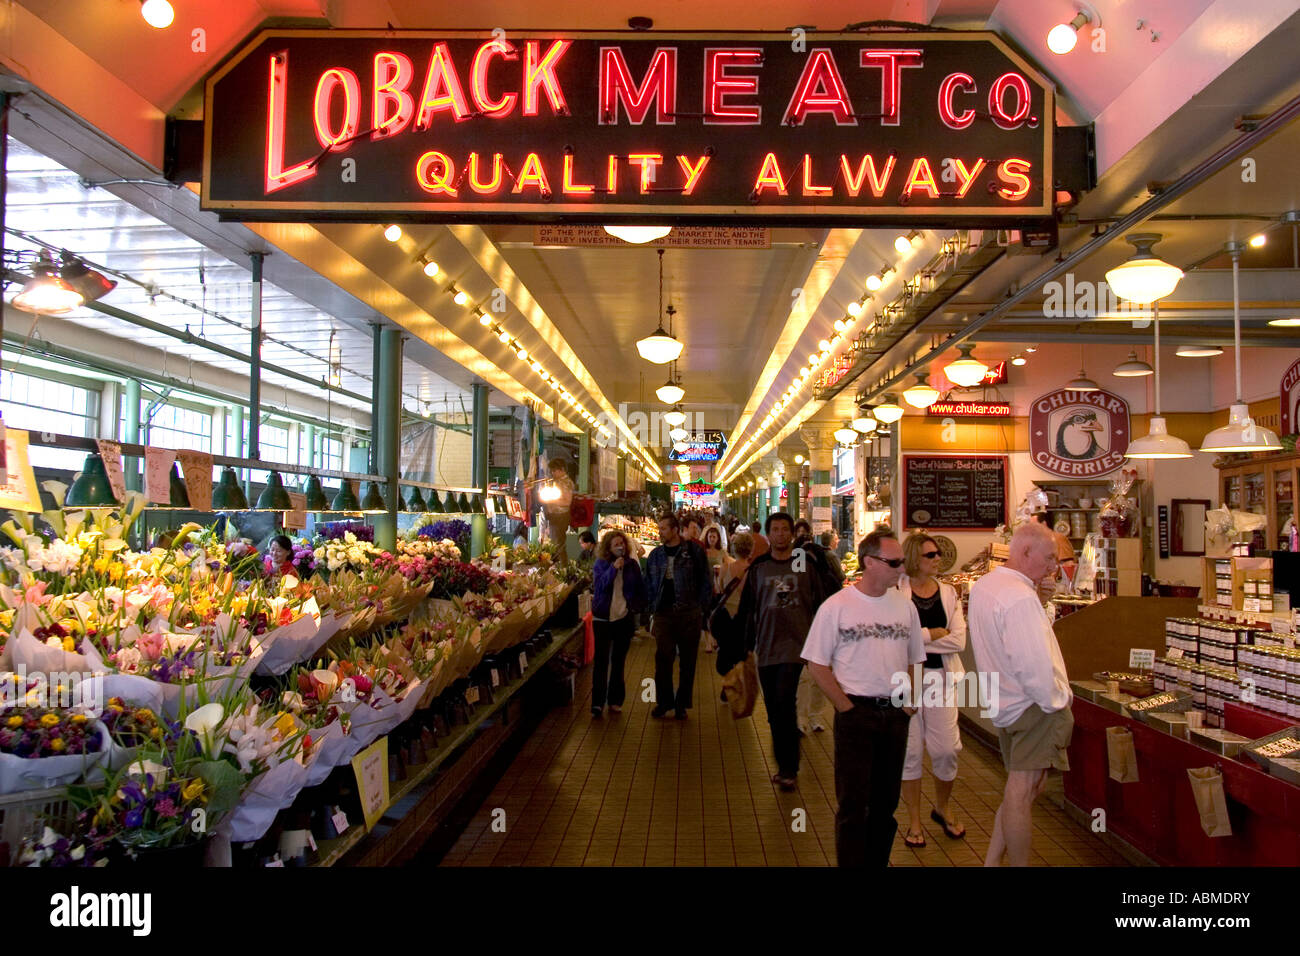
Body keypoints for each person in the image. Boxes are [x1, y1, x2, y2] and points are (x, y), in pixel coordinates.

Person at [803, 530, 925, 867]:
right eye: (894, 562)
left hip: (895, 715)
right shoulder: (837, 607)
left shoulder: (905, 607)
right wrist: (845, 706)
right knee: (854, 803)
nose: (902, 568)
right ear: (869, 562)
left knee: (886, 803)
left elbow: (915, 657)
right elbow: (816, 663)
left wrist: (909, 702)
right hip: (857, 714)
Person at [968, 520, 1073, 867]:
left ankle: (992, 861)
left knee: (1022, 790)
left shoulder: (987, 585)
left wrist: (1040, 599)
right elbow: (1032, 663)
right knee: (1021, 791)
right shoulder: (1019, 598)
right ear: (1025, 552)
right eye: (1049, 558)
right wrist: (1056, 699)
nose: (1053, 566)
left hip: (1005, 704)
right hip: (1033, 707)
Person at [737, 512, 833, 791]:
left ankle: (790, 767)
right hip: (766, 646)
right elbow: (748, 609)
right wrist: (745, 646)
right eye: (775, 530)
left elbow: (821, 602)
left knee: (784, 700)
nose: (780, 534)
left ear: (792, 534)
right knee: (774, 709)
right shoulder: (760, 566)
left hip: (797, 647)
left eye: (784, 530)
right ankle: (784, 763)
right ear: (768, 535)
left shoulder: (805, 563)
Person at [897, 533, 967, 848]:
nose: (938, 558)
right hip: (906, 682)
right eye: (931, 555)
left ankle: (942, 806)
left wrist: (918, 637)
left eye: (937, 554)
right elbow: (896, 637)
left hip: (941, 678)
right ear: (914, 558)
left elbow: (959, 640)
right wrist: (930, 633)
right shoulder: (895, 593)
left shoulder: (950, 593)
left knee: (947, 749)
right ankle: (912, 820)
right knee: (910, 752)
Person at [644, 514, 713, 719]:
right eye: (659, 528)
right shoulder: (656, 555)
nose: (660, 532)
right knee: (663, 658)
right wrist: (650, 610)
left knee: (688, 661)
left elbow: (705, 580)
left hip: (689, 613)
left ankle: (682, 703)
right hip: (663, 613)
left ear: (675, 530)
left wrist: (701, 608)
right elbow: (649, 582)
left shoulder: (693, 551)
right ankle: (664, 702)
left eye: (664, 528)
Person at [590, 531, 647, 718]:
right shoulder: (601, 565)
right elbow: (600, 587)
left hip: (623, 618)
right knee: (601, 661)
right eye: (616, 544)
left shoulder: (631, 566)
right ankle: (597, 703)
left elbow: (639, 587)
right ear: (609, 548)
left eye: (622, 544)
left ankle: (615, 700)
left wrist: (636, 608)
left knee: (618, 661)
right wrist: (613, 568)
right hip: (603, 619)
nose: (620, 547)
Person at [701, 523, 730, 653]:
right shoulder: (703, 552)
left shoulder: (722, 552)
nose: (712, 539)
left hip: (718, 588)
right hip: (705, 587)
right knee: (706, 614)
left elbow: (728, 565)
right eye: (710, 536)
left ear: (718, 538)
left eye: (714, 537)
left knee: (716, 614)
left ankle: (715, 639)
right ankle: (708, 641)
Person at [1033, 512, 1077, 585]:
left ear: (1044, 524)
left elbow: (1068, 564)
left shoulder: (1058, 538)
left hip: (1059, 585)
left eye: (1033, 526)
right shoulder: (1038, 541)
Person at [541, 458, 575, 546]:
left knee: (558, 544)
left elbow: (567, 502)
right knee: (555, 543)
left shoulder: (566, 483)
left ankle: (560, 560)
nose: (552, 473)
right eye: (551, 471)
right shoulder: (556, 482)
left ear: (562, 469)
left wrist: (551, 501)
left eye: (554, 471)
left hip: (560, 516)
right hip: (554, 516)